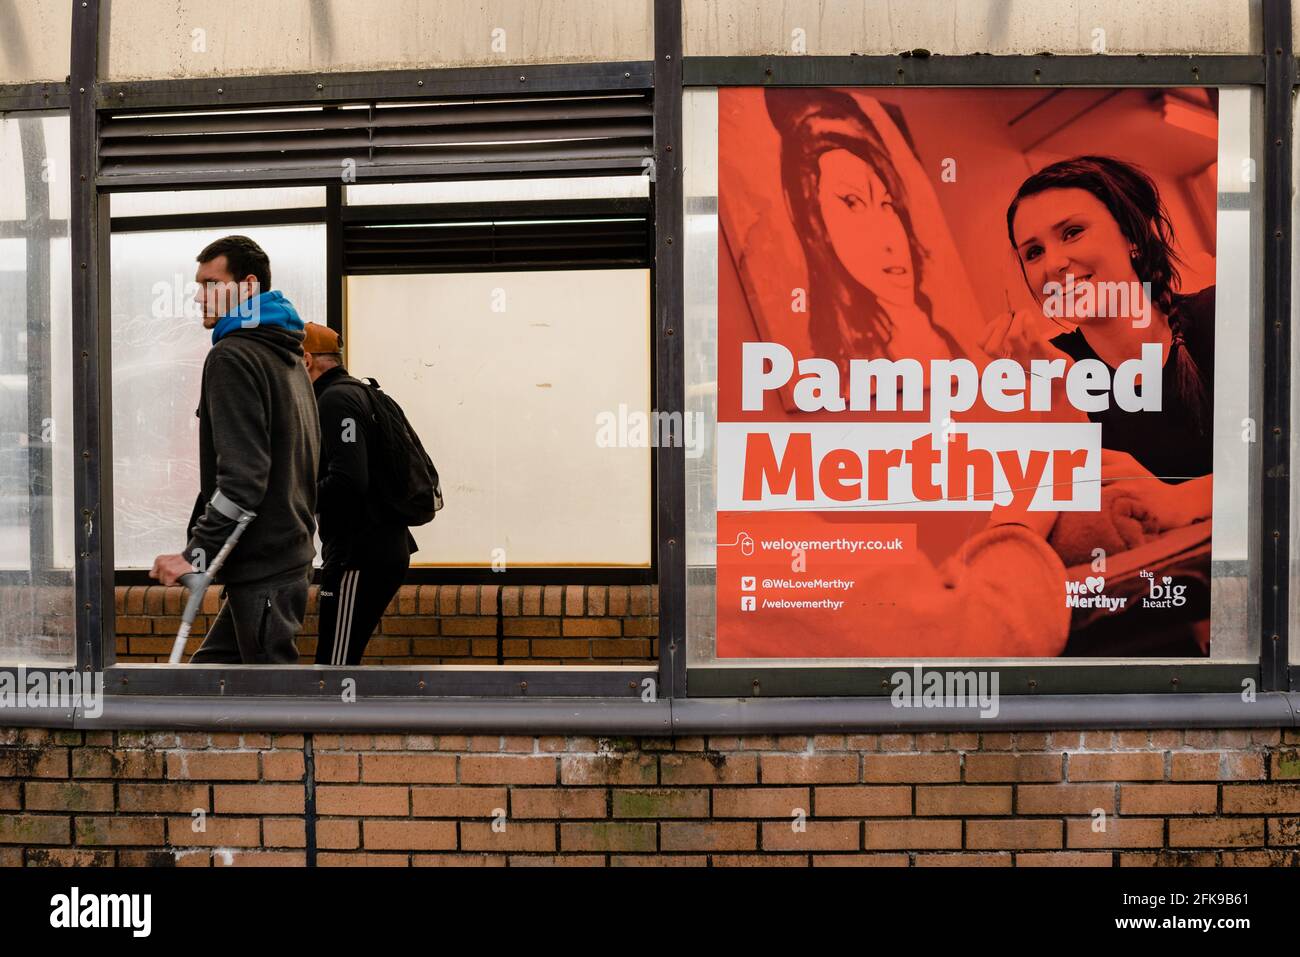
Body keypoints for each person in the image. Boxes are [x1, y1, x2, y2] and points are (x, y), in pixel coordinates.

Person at [149, 235, 320, 664]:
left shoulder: (233, 356)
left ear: (245, 286)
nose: (197, 295)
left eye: (210, 283)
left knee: (270, 704)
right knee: (209, 677)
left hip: (264, 564)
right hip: (284, 555)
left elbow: (244, 479)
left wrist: (196, 554)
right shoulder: (288, 356)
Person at [301, 322, 416, 666]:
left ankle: (337, 719)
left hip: (359, 554)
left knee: (334, 666)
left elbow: (349, 481)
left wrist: (295, 499)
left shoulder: (334, 400)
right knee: (338, 660)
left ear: (306, 360)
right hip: (375, 547)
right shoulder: (359, 392)